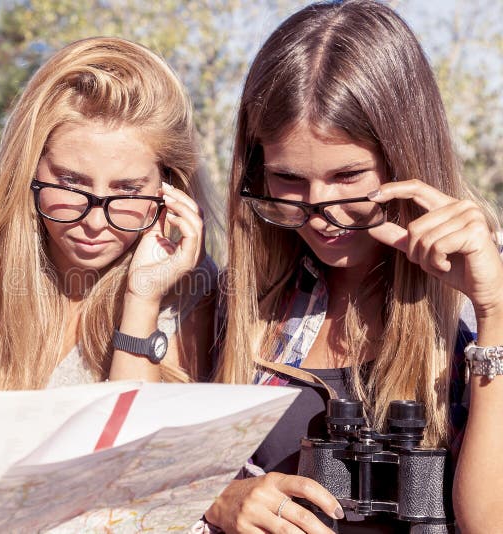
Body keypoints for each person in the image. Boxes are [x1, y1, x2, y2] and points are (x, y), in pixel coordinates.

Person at [201, 1, 503, 533]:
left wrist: (494, 311)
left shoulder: (480, 299)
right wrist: (218, 499)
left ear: (406, 157)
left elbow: (488, 523)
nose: (322, 213)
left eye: (348, 177)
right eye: (288, 179)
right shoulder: (231, 303)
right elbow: (137, 490)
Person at [0, 36, 219, 390]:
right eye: (71, 184)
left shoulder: (190, 288)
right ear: (29, 170)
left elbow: (139, 437)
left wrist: (142, 299)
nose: (94, 223)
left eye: (127, 190)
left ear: (168, 186)